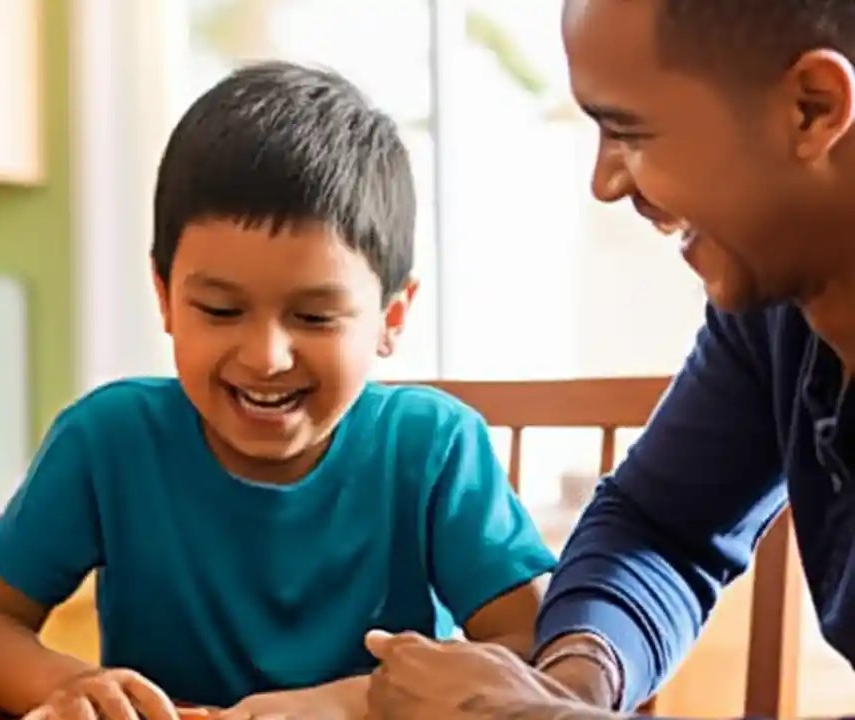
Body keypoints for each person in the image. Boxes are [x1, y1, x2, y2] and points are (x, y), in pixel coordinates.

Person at [0, 60, 557, 720]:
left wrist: (353, 703)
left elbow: (532, 647)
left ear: (391, 318)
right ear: (165, 297)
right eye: (221, 311)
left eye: (314, 317)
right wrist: (62, 684)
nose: (265, 357)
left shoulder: (431, 447)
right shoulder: (107, 441)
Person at [364, 0, 855, 718]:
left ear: (812, 108)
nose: (606, 182)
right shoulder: (774, 315)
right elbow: (662, 527)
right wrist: (576, 676)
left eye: (630, 132)